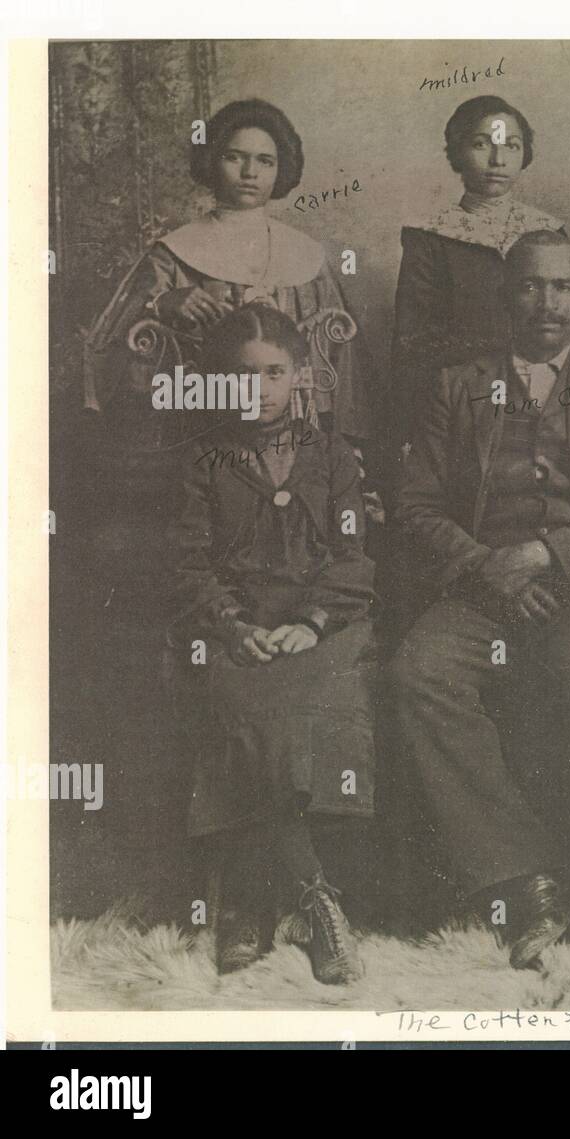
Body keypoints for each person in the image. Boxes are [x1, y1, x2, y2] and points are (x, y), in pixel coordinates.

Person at [388, 230, 570, 969]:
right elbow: (413, 507)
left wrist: (548, 554)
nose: (546, 304)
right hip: (482, 585)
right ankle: (523, 878)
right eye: (529, 286)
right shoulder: (456, 383)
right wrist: (487, 565)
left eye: (562, 288)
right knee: (419, 671)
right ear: (503, 295)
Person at [170, 304, 377, 984]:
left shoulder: (333, 456)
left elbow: (352, 557)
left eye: (273, 372)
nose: (257, 389)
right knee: (242, 696)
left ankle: (250, 902)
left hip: (322, 626)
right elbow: (187, 564)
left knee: (310, 701)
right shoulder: (203, 461)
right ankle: (312, 900)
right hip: (236, 626)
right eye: (241, 374)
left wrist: (314, 621)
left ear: (301, 377)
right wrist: (234, 625)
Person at [85, 98, 372, 448]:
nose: (250, 172)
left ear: (281, 169)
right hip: (200, 437)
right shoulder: (172, 255)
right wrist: (159, 305)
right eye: (234, 157)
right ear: (212, 161)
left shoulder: (308, 258)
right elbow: (103, 353)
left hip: (296, 438)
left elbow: (345, 367)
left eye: (265, 161)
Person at [391, 95, 564, 452]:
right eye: (482, 144)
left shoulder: (547, 233)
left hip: (544, 394)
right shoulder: (432, 236)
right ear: (458, 152)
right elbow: (414, 339)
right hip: (460, 397)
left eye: (511, 146)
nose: (498, 160)